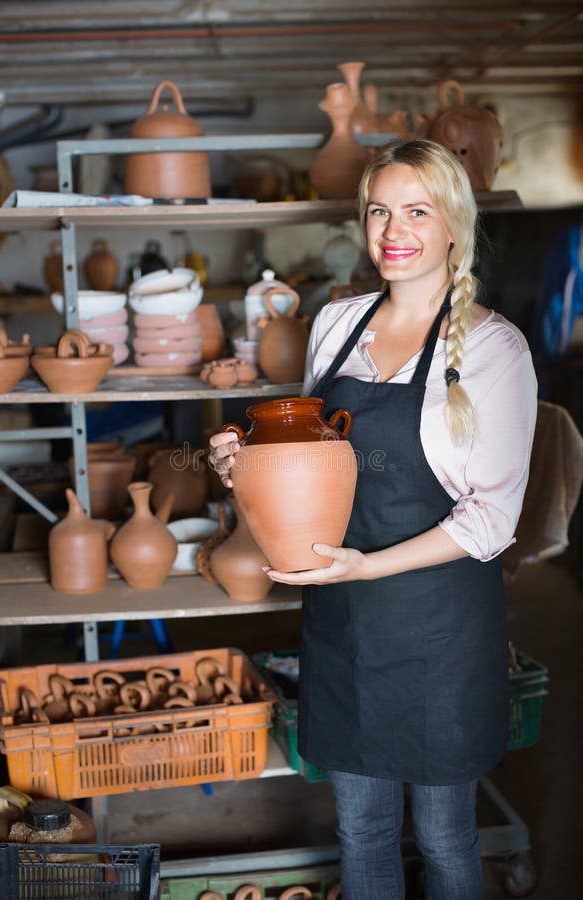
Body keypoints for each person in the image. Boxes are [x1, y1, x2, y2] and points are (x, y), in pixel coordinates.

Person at [209, 138, 538, 900]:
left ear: (454, 223)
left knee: (448, 837)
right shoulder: (338, 323)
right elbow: (309, 455)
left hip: (439, 628)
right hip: (344, 621)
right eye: (380, 210)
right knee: (359, 829)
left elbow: (490, 520)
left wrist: (365, 565)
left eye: (417, 210)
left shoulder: (494, 350)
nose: (395, 229)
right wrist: (242, 463)